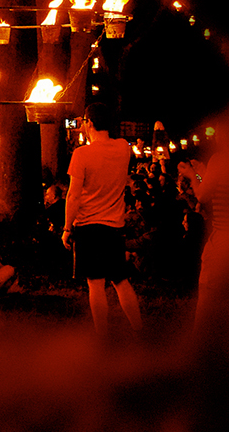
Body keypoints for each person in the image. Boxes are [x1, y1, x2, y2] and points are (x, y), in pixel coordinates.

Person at [61, 103, 143, 336]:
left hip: (88, 226)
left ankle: (102, 335)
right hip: (115, 226)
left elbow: (73, 195)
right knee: (120, 280)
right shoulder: (123, 148)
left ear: (89, 122)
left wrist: (67, 228)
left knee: (95, 284)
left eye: (84, 122)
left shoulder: (82, 154)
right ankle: (138, 329)